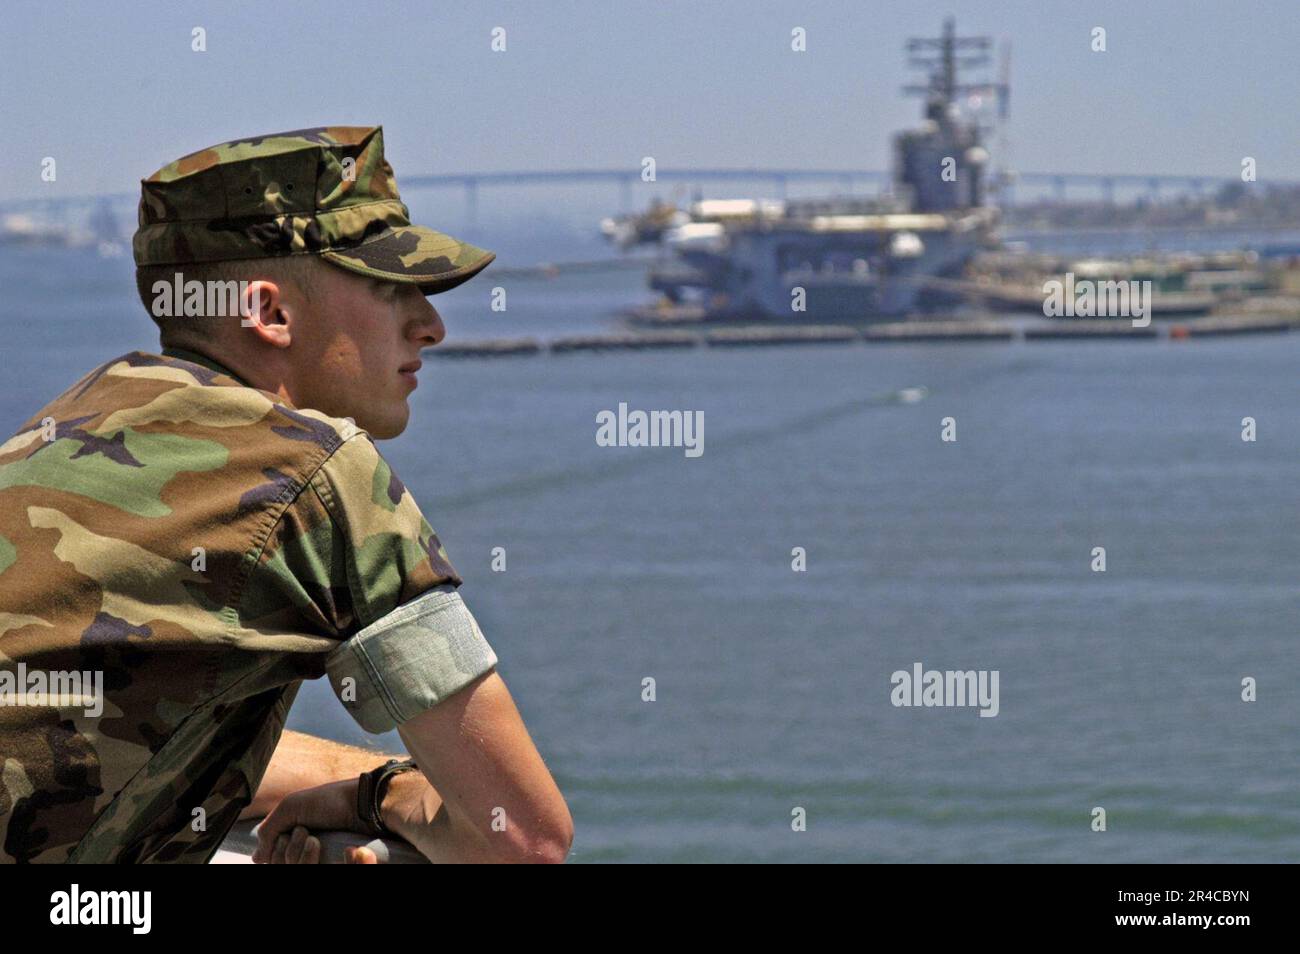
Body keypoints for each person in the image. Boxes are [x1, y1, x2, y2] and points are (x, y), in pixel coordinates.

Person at [0, 126, 572, 864]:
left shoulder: (47, 438)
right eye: (388, 290)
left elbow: (91, 737)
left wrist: (366, 779)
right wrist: (378, 801)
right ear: (271, 315)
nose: (430, 326)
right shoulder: (315, 472)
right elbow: (523, 839)